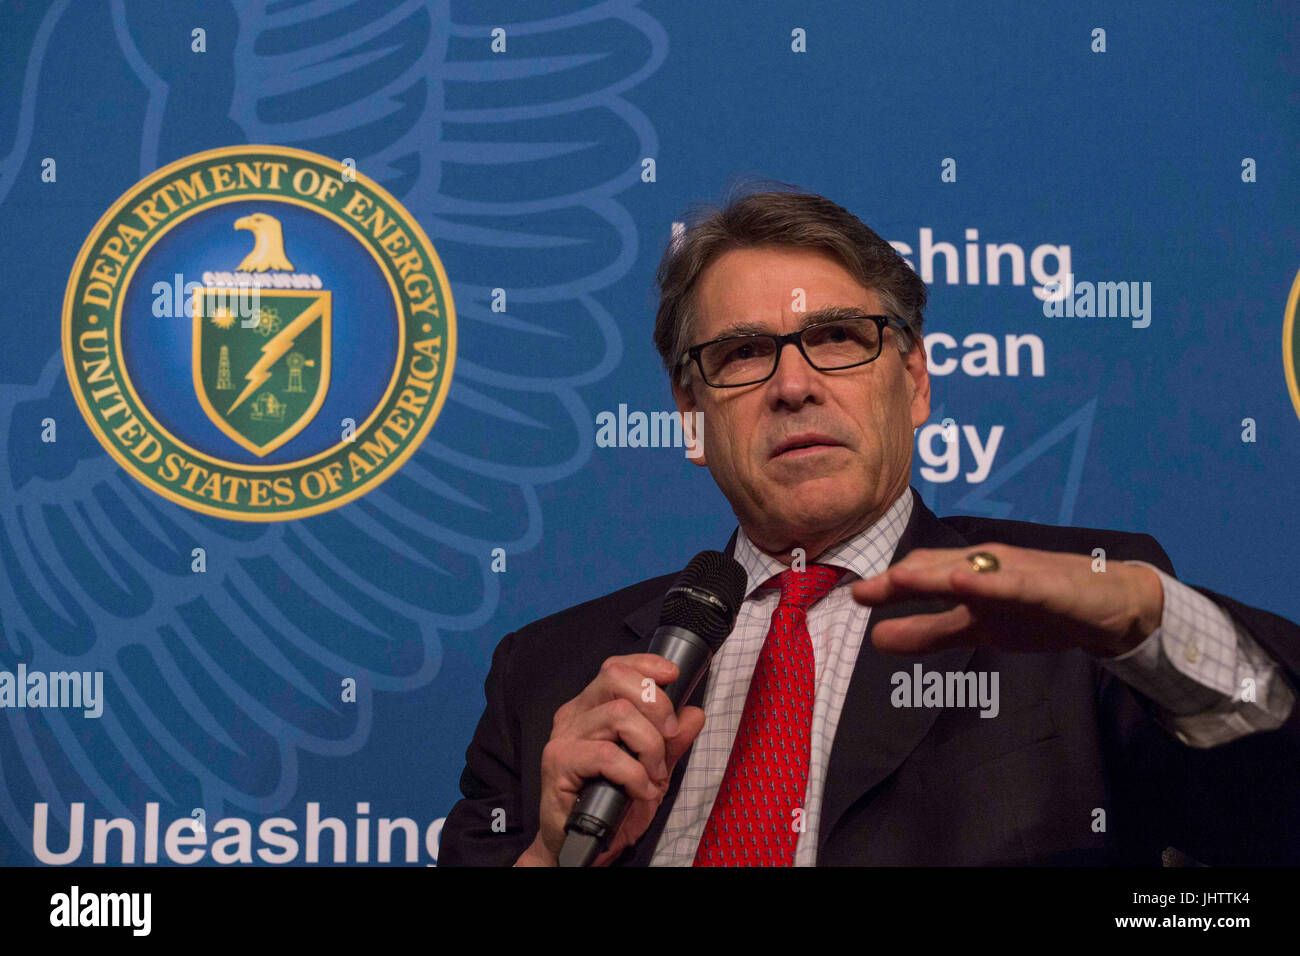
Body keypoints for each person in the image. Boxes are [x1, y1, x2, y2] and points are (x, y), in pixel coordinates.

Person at [439, 184, 1300, 866]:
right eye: (742, 353)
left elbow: (1276, 810)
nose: (794, 385)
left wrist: (1152, 621)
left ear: (916, 382)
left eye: (839, 337)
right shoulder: (547, 676)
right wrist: (552, 857)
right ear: (690, 417)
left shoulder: (1079, 612)